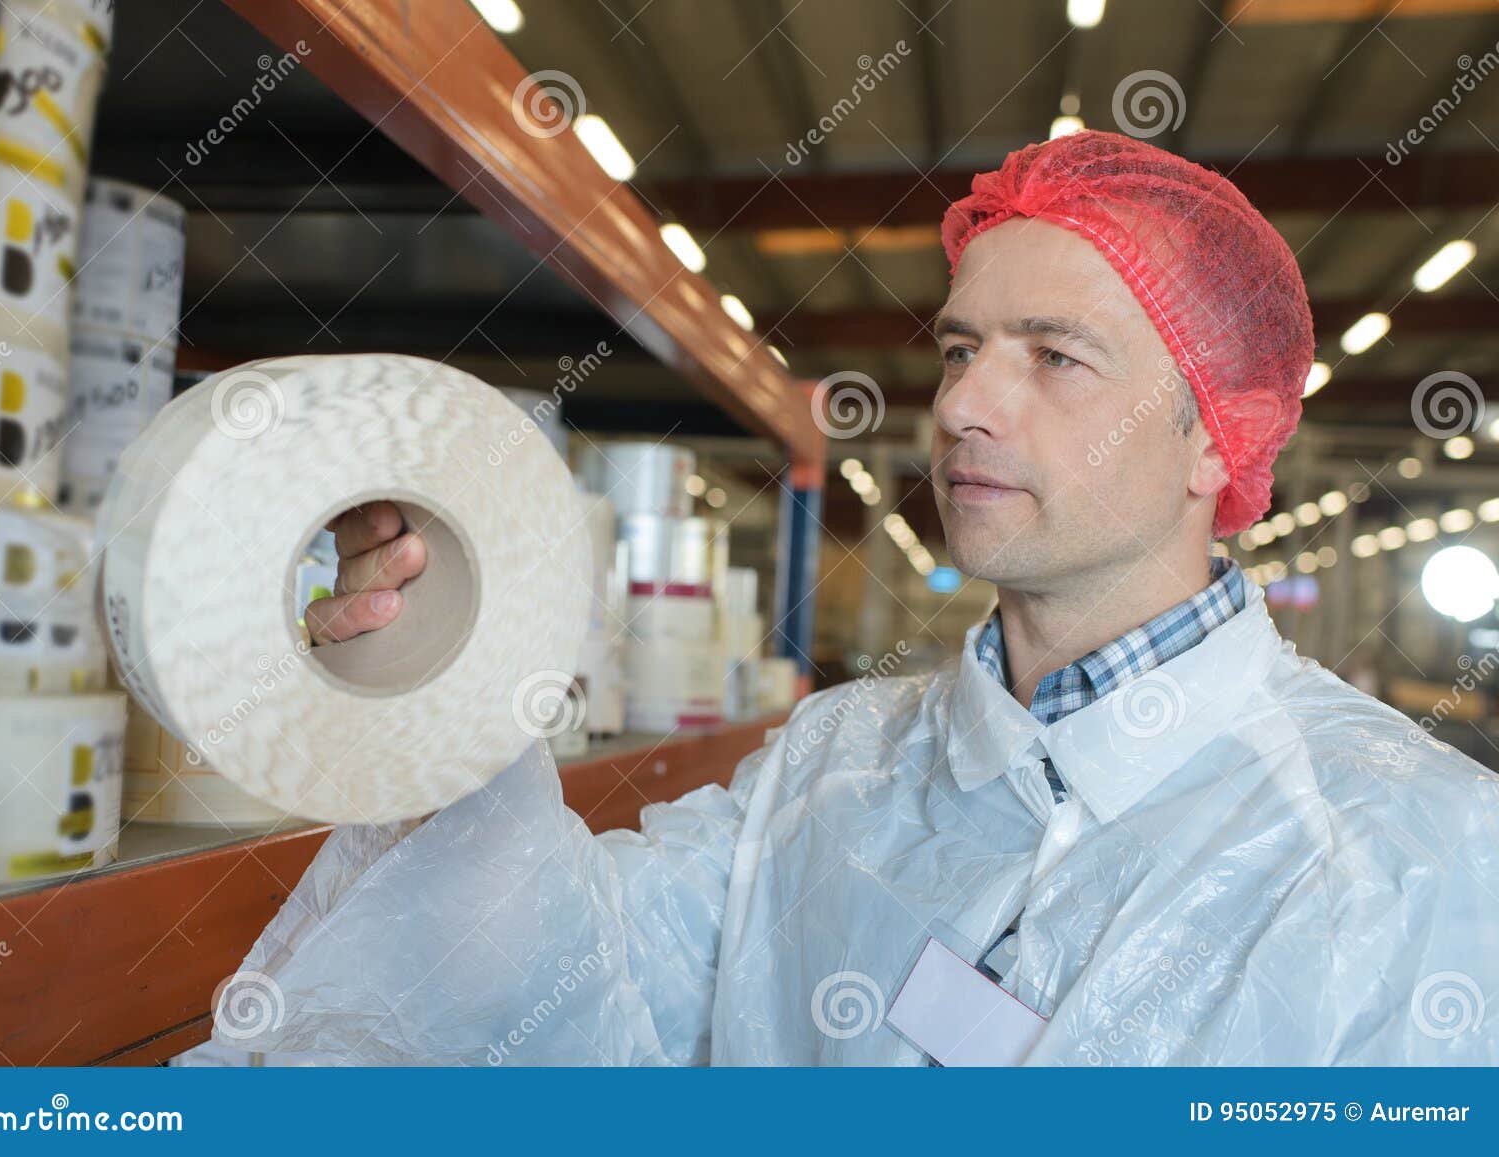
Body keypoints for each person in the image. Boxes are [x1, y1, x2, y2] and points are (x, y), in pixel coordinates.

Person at [222, 130, 1499, 1065]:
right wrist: (451, 674)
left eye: (1053, 356)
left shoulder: (1416, 855)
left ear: (1215, 438)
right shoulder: (832, 763)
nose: (960, 405)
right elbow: (566, 986)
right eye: (958, 348)